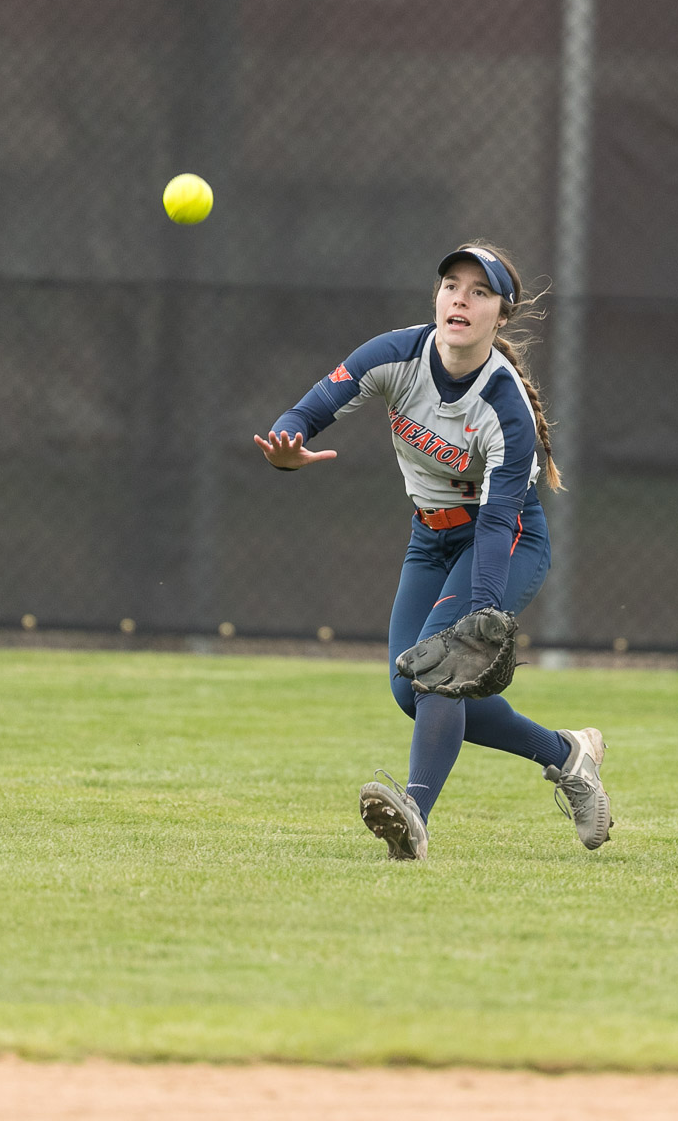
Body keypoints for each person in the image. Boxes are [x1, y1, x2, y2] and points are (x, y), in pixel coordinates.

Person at [255, 242, 613, 861]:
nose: (461, 299)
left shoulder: (504, 404)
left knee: (444, 666)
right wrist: (290, 440)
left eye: (480, 291)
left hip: (503, 539)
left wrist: (481, 612)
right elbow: (315, 405)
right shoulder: (397, 354)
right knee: (409, 689)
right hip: (430, 538)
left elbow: (500, 518)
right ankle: (568, 755)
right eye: (452, 285)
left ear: (501, 315)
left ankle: (413, 818)